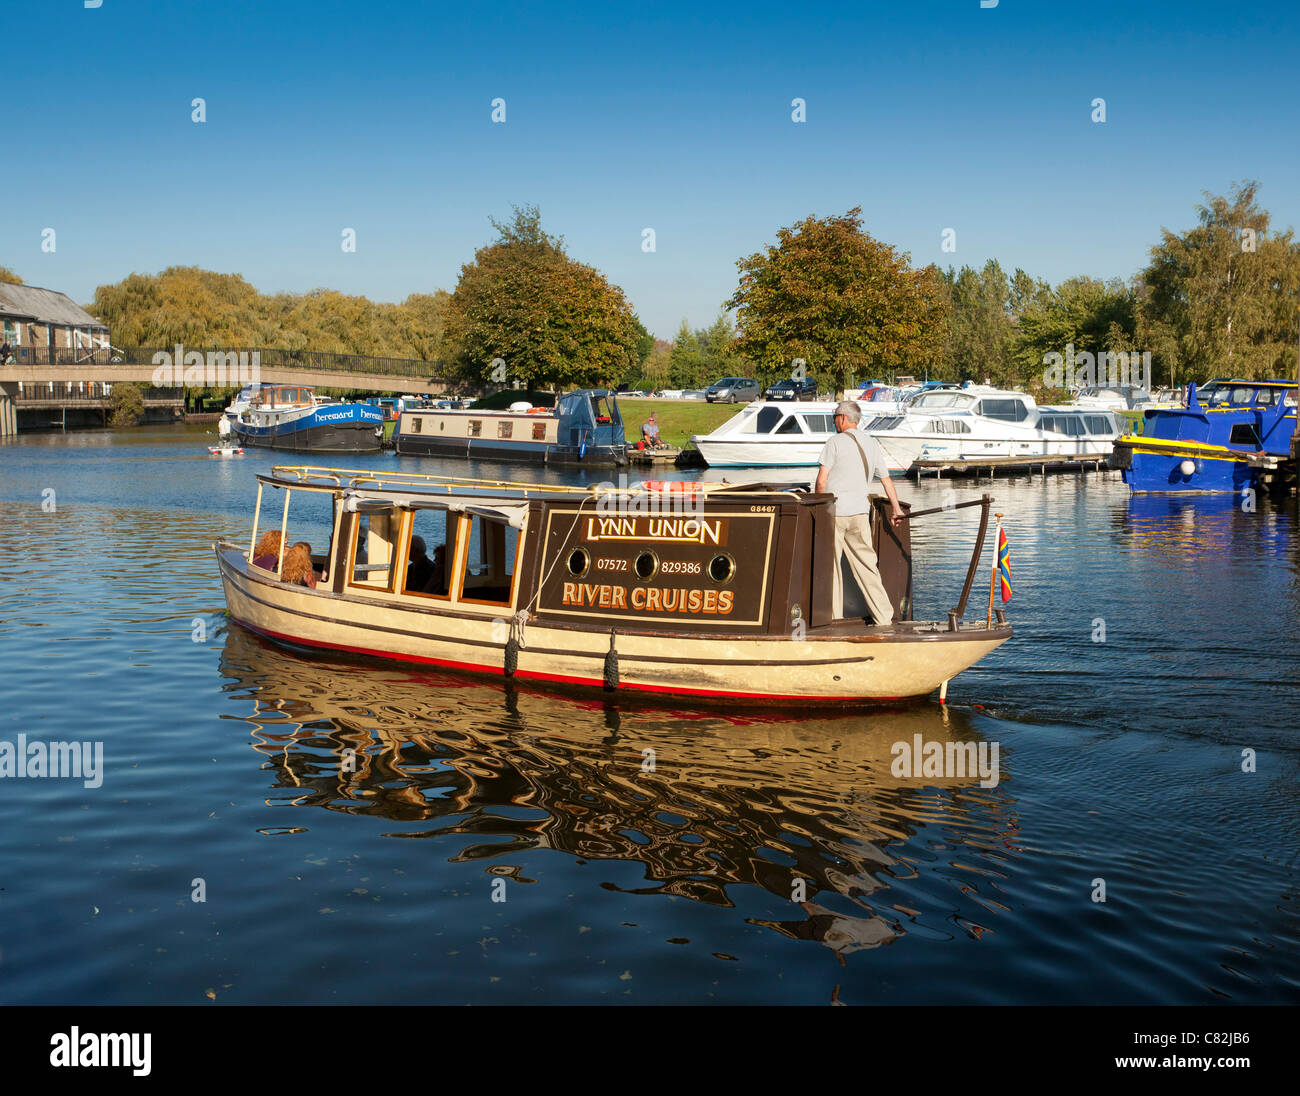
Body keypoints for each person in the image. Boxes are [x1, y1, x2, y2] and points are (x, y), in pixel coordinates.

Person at [814, 401, 904, 625]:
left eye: (835, 416)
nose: (834, 421)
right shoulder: (871, 443)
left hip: (835, 513)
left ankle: (833, 619)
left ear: (843, 418)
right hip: (860, 514)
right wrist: (896, 508)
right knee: (867, 567)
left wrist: (818, 506)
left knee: (832, 566)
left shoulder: (834, 442)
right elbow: (886, 480)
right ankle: (884, 617)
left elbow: (822, 480)